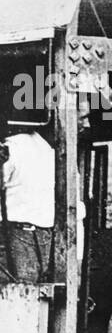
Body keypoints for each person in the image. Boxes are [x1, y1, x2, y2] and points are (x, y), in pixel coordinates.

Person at [0, 120, 55, 282]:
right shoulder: (17, 146)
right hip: (17, 235)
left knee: (44, 297)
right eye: (82, 117)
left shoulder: (62, 153)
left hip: (48, 237)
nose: (86, 124)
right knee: (21, 295)